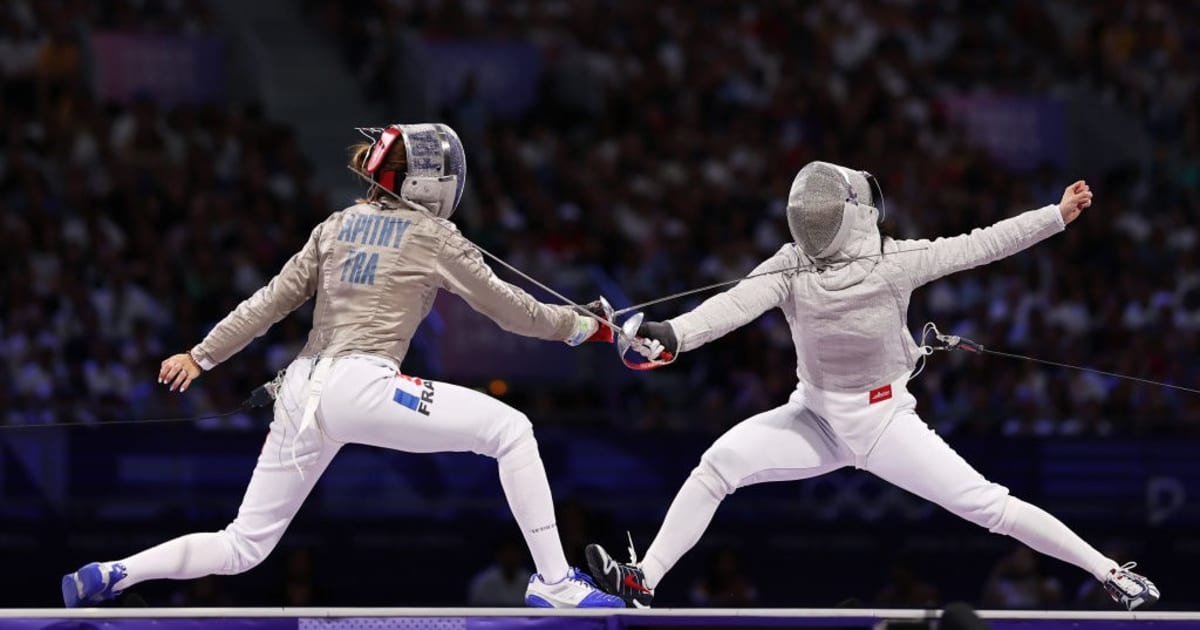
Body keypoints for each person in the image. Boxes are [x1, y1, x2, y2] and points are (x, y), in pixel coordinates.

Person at [61, 123, 623, 609]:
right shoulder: (433, 235)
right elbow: (513, 311)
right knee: (512, 430)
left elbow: (269, 301)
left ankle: (113, 572)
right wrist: (583, 326)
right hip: (362, 385)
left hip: (299, 390)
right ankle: (556, 582)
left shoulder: (335, 226)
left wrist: (200, 354)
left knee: (242, 545)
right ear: (428, 183)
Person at [586, 161, 1159, 611]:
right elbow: (733, 305)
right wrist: (672, 335)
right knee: (717, 466)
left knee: (988, 505)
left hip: (884, 422)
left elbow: (982, 243)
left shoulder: (894, 263)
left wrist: (1054, 215)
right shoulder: (791, 265)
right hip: (814, 417)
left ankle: (1110, 572)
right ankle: (643, 580)